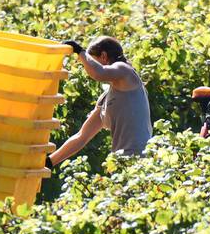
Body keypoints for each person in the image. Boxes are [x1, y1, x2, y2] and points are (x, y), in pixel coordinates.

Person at [48, 36, 152, 167]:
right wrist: (50, 162)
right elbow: (82, 136)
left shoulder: (125, 71)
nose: (86, 68)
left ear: (103, 56)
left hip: (140, 162)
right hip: (121, 162)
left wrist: (80, 51)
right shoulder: (106, 99)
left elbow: (99, 73)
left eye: (92, 60)